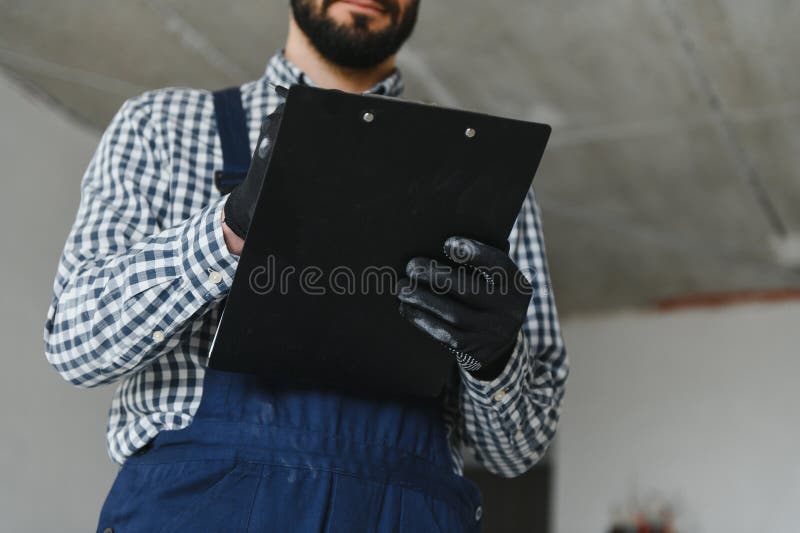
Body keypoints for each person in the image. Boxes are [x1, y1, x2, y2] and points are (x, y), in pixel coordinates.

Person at [43, 0, 569, 531]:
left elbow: (516, 454)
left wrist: (497, 359)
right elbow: (74, 346)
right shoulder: (160, 129)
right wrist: (225, 231)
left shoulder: (494, 185)